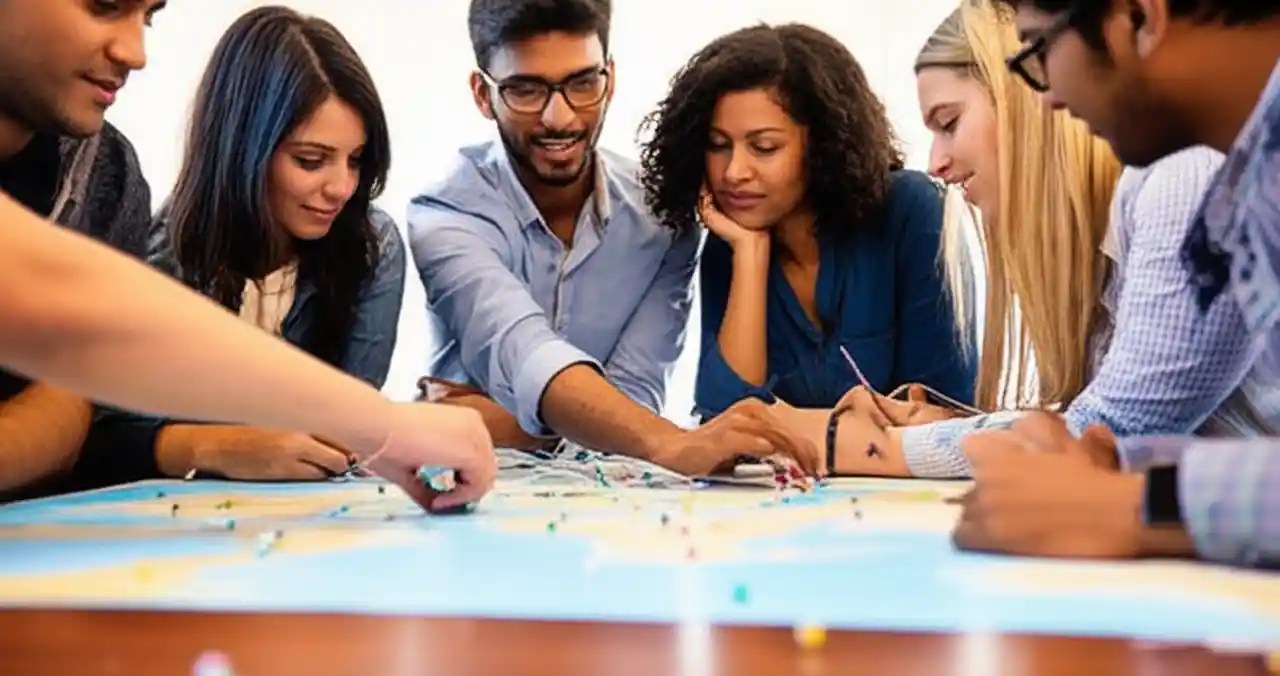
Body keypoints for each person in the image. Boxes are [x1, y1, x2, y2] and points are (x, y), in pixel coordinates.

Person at [806, 0, 1256, 480]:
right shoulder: (1124, 232)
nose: (935, 162)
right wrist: (960, 427)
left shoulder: (1184, 174)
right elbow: (1094, 423)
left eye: (949, 123)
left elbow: (1109, 433)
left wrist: (849, 444)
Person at [409, 0, 819, 476]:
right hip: (468, 490)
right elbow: (523, 351)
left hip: (609, 500)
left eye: (583, 83)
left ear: (610, 80)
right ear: (483, 94)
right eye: (525, 90)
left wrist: (504, 423)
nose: (559, 117)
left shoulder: (663, 219)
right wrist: (656, 439)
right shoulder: (443, 215)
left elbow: (638, 395)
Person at [957, 0, 1280, 567]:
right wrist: (1125, 467)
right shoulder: (1250, 176)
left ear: (1139, 18)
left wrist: (1132, 505)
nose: (1047, 96)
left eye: (1039, 50)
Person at [0, 190, 495, 513]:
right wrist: (383, 426)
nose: (135, 53)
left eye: (357, 161)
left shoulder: (111, 166)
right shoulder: (163, 236)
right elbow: (78, 319)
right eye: (309, 158)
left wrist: (375, 429)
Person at [74, 6, 406, 485]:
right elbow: (103, 439)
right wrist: (219, 446)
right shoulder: (158, 252)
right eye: (311, 160)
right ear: (241, 150)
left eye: (355, 160)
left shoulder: (374, 247)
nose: (342, 187)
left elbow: (351, 425)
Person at [637, 23, 976, 429]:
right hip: (781, 493)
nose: (733, 172)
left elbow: (945, 417)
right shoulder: (727, 245)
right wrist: (750, 255)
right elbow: (723, 425)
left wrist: (781, 423)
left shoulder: (911, 211)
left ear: (821, 145)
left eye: (764, 147)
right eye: (717, 145)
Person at [0, 0, 158, 498]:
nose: (136, 53)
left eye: (150, 16)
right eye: (105, 6)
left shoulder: (110, 175)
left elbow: (77, 389)